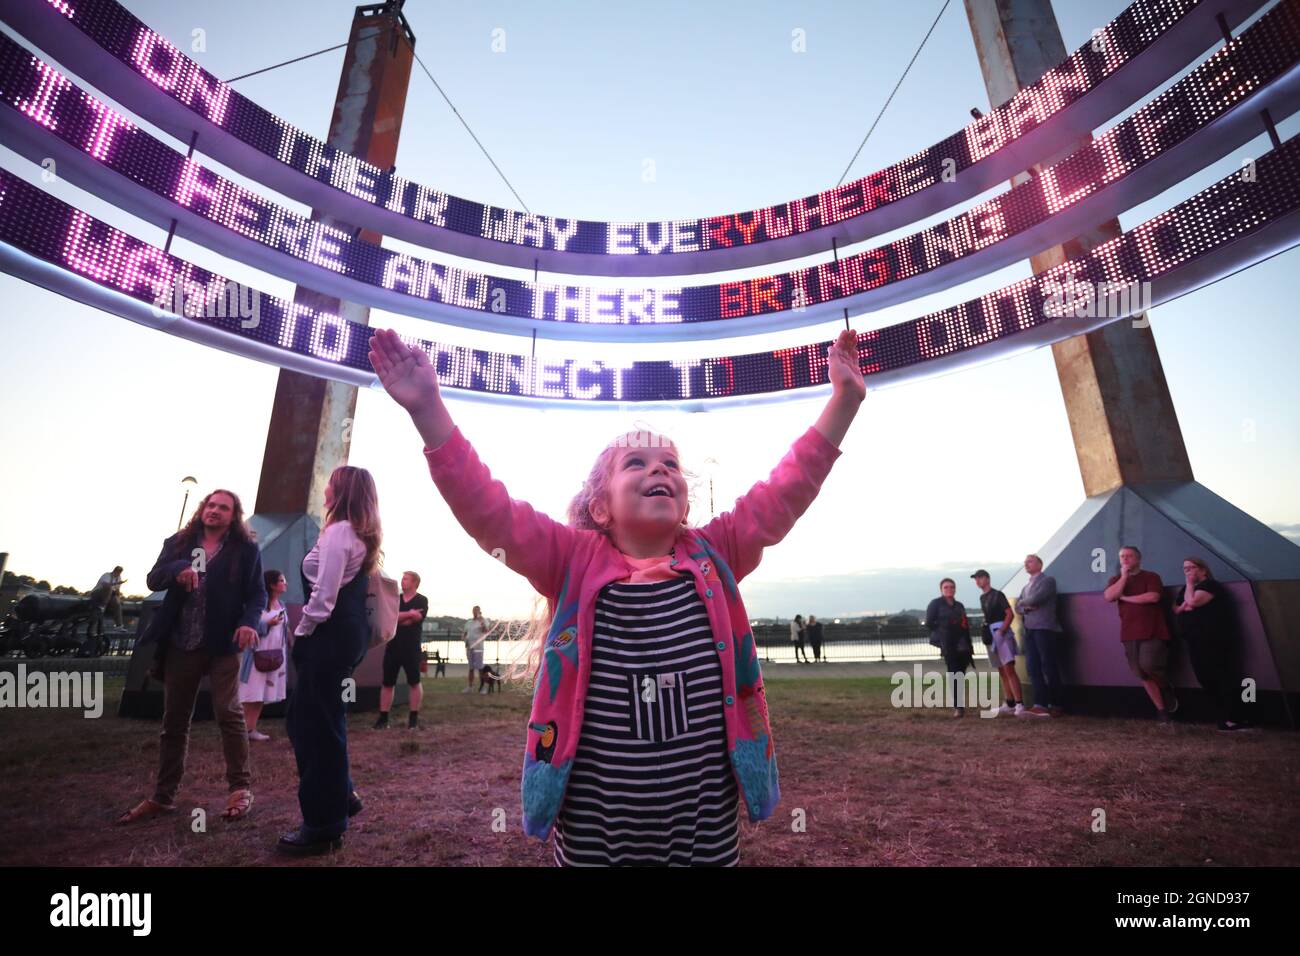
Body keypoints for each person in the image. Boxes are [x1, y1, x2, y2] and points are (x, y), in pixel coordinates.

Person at [369, 325, 863, 865]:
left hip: (704, 831)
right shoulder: (571, 561)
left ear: (683, 500)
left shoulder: (715, 554)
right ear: (601, 509)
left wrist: (842, 403)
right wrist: (428, 410)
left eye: (671, 465)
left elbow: (782, 493)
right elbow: (492, 512)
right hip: (596, 833)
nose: (660, 469)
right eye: (637, 463)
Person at [117, 490, 265, 826]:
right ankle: (163, 796)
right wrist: (179, 568)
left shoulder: (245, 550)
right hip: (181, 643)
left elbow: (256, 593)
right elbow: (153, 578)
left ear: (234, 515)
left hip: (223, 644)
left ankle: (240, 790)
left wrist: (247, 623)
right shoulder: (179, 543)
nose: (214, 511)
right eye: (211, 505)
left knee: (228, 712)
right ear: (203, 509)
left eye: (223, 508)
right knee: (174, 721)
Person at [279, 465, 382, 856]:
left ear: (341, 490)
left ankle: (323, 825)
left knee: (312, 726)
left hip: (329, 634)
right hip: (345, 634)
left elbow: (323, 595)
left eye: (330, 482)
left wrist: (301, 631)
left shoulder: (339, 532)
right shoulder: (358, 534)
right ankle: (342, 797)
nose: (324, 488)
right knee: (321, 719)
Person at [1173, 557, 1251, 732]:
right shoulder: (1186, 589)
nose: (1188, 572)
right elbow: (1177, 608)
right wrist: (1187, 596)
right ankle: (1222, 718)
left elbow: (1192, 602)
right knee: (1205, 678)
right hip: (1195, 641)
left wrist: (1189, 588)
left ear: (1203, 570)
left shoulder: (1211, 586)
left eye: (1191, 568)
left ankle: (1234, 718)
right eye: (1185, 569)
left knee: (1222, 678)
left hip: (1215, 641)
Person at [1103, 545, 1178, 722]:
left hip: (1153, 630)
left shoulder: (1151, 576)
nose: (1125, 559)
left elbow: (1152, 597)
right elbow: (1109, 596)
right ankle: (1162, 711)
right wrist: (1123, 577)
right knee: (1140, 673)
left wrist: (1125, 598)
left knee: (1149, 665)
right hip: (1129, 633)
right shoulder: (1116, 579)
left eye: (1129, 556)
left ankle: (1166, 687)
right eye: (1122, 556)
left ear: (1138, 559)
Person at [240, 569, 290, 741]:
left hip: (275, 655)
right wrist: (267, 623)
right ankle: (241, 730)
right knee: (251, 694)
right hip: (256, 655)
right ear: (272, 584)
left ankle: (251, 729)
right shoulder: (258, 605)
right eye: (282, 580)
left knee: (261, 695)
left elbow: (284, 629)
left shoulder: (282, 605)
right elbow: (250, 626)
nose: (286, 584)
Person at [376, 571, 429, 729]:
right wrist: (408, 615)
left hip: (411, 648)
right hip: (393, 647)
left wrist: (399, 618)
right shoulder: (395, 599)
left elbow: (417, 618)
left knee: (414, 682)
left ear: (414, 583)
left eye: (406, 579)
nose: (402, 581)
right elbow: (389, 618)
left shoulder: (421, 600)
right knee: (387, 683)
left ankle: (413, 719)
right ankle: (383, 718)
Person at [1014, 554, 1064, 717]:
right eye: (1025, 562)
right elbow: (1018, 607)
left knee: (1048, 666)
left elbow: (1036, 598)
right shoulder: (1025, 586)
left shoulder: (1048, 581)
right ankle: (1040, 704)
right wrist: (1026, 605)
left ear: (1040, 564)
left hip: (1044, 628)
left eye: (1029, 561)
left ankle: (1056, 704)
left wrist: (1025, 603)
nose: (1026, 564)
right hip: (1029, 629)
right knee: (1033, 667)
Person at [971, 570, 1023, 716]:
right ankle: (1009, 702)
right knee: (1001, 669)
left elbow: (1010, 614)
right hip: (991, 634)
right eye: (976, 579)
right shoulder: (982, 597)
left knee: (1009, 669)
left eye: (980, 578)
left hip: (1001, 633)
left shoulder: (997, 595)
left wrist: (1002, 630)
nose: (977, 581)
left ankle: (1019, 704)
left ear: (987, 579)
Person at [925, 579, 973, 717]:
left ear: (955, 589)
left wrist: (969, 645)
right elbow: (929, 622)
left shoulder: (959, 605)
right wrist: (943, 631)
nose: (949, 589)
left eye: (952, 587)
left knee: (961, 674)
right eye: (946, 587)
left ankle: (960, 704)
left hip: (963, 644)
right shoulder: (936, 604)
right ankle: (958, 707)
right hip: (949, 644)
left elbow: (965, 624)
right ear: (941, 589)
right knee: (953, 672)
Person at [88, 566, 125, 639]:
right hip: (98, 593)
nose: (118, 574)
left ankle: (119, 625)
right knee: (109, 588)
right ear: (114, 571)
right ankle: (103, 606)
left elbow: (117, 591)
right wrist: (116, 583)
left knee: (117, 603)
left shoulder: (119, 578)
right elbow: (105, 585)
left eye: (120, 572)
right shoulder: (106, 575)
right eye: (117, 572)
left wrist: (118, 599)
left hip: (109, 596)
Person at [463, 606, 491, 693]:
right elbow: (465, 633)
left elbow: (486, 630)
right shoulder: (469, 622)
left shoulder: (484, 621)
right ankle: (470, 687)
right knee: (471, 668)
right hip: (469, 648)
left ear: (480, 612)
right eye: (474, 611)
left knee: (480, 668)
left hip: (478, 648)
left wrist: (481, 621)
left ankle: (483, 687)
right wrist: (464, 638)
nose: (475, 612)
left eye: (477, 611)